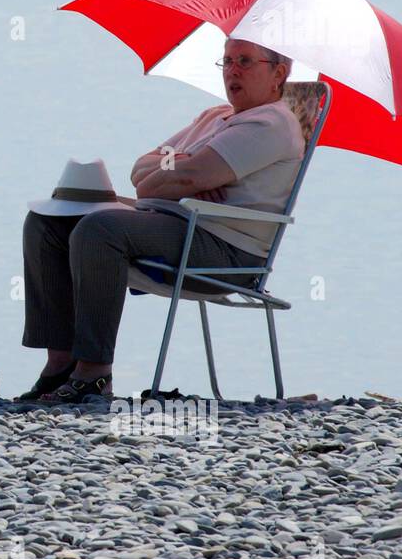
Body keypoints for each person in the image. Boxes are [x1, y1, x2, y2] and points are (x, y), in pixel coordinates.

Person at [17, 39, 304, 403]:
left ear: (278, 73)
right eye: (227, 60)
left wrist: (183, 172)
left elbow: (184, 175)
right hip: (170, 222)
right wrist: (183, 171)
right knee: (48, 222)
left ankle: (94, 373)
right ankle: (60, 365)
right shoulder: (214, 117)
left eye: (245, 61)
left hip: (224, 249)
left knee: (100, 228)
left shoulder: (271, 123)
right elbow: (141, 169)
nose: (232, 70)